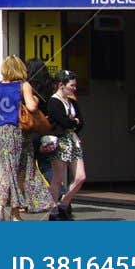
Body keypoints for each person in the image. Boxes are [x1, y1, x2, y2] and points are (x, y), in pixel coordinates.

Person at [0, 55, 54, 220]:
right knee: (20, 169)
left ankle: (8, 210)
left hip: (0, 131)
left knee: (5, 169)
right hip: (17, 131)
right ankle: (9, 210)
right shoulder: (23, 85)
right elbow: (32, 106)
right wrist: (34, 99)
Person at [47, 69, 86, 220]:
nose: (74, 88)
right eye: (72, 85)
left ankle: (64, 203)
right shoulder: (53, 101)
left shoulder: (72, 102)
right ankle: (53, 210)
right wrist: (73, 122)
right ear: (61, 85)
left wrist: (73, 122)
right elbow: (62, 121)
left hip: (73, 140)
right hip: (61, 140)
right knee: (58, 178)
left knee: (81, 176)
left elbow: (81, 122)